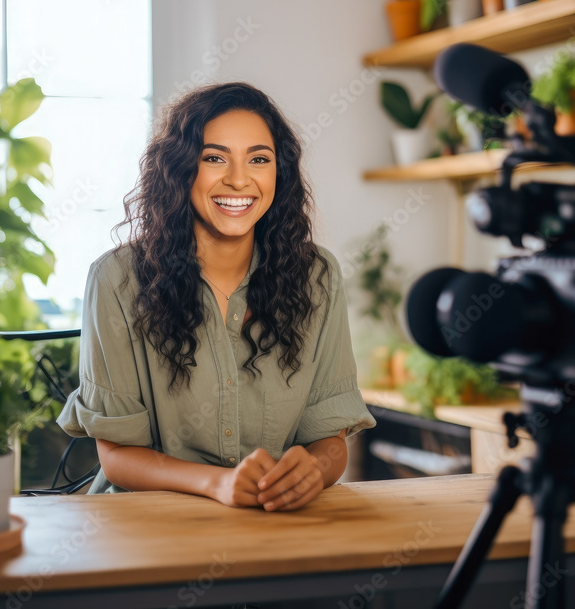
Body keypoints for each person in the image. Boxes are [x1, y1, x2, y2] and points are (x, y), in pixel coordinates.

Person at [56, 82, 376, 511]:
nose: (239, 179)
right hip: (144, 523)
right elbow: (116, 459)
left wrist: (314, 471)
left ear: (278, 172)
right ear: (181, 168)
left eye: (258, 159)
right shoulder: (116, 279)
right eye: (214, 158)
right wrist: (219, 484)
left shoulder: (317, 276)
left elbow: (330, 438)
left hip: (274, 524)